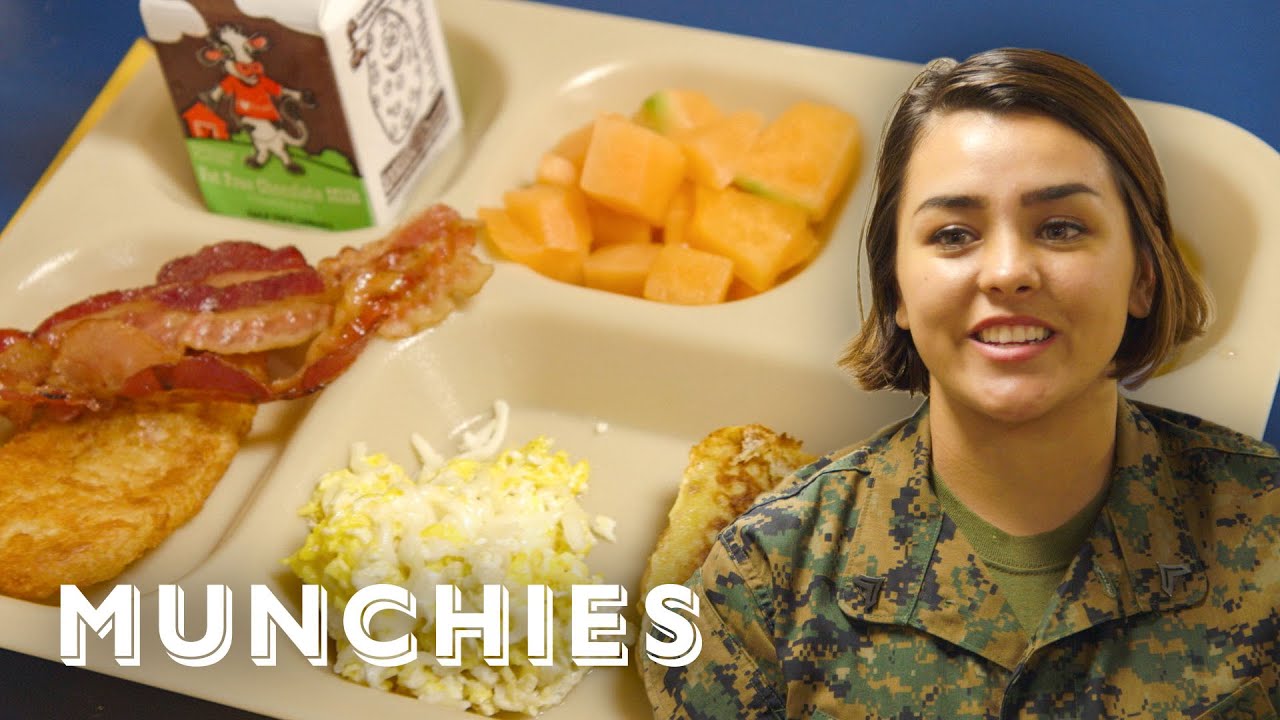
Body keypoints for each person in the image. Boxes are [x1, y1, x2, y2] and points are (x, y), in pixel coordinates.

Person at [639, 48, 1279, 719]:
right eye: (952, 234)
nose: (1006, 271)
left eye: (1061, 228)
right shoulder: (764, 576)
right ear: (896, 294)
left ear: (1144, 276)